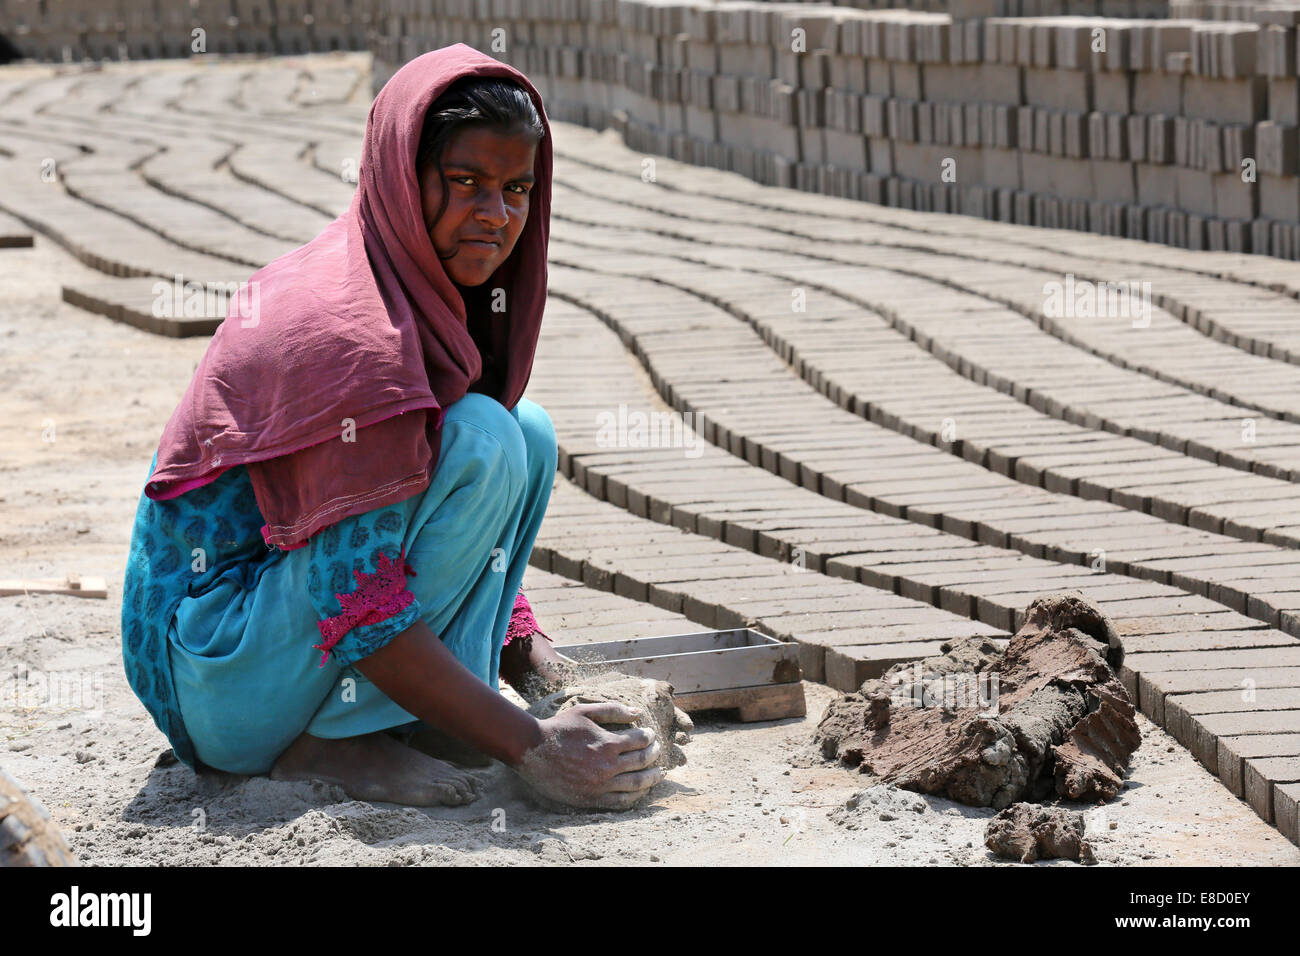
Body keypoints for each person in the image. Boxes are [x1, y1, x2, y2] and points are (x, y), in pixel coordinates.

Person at [120, 44, 664, 810]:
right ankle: (334, 740)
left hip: (267, 642)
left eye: (516, 189)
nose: (497, 216)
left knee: (524, 432)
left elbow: (423, 536)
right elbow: (357, 598)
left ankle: (396, 715)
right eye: (465, 182)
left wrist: (536, 666)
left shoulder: (415, 280)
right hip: (220, 683)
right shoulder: (352, 337)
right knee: (481, 439)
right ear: (402, 177)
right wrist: (533, 745)